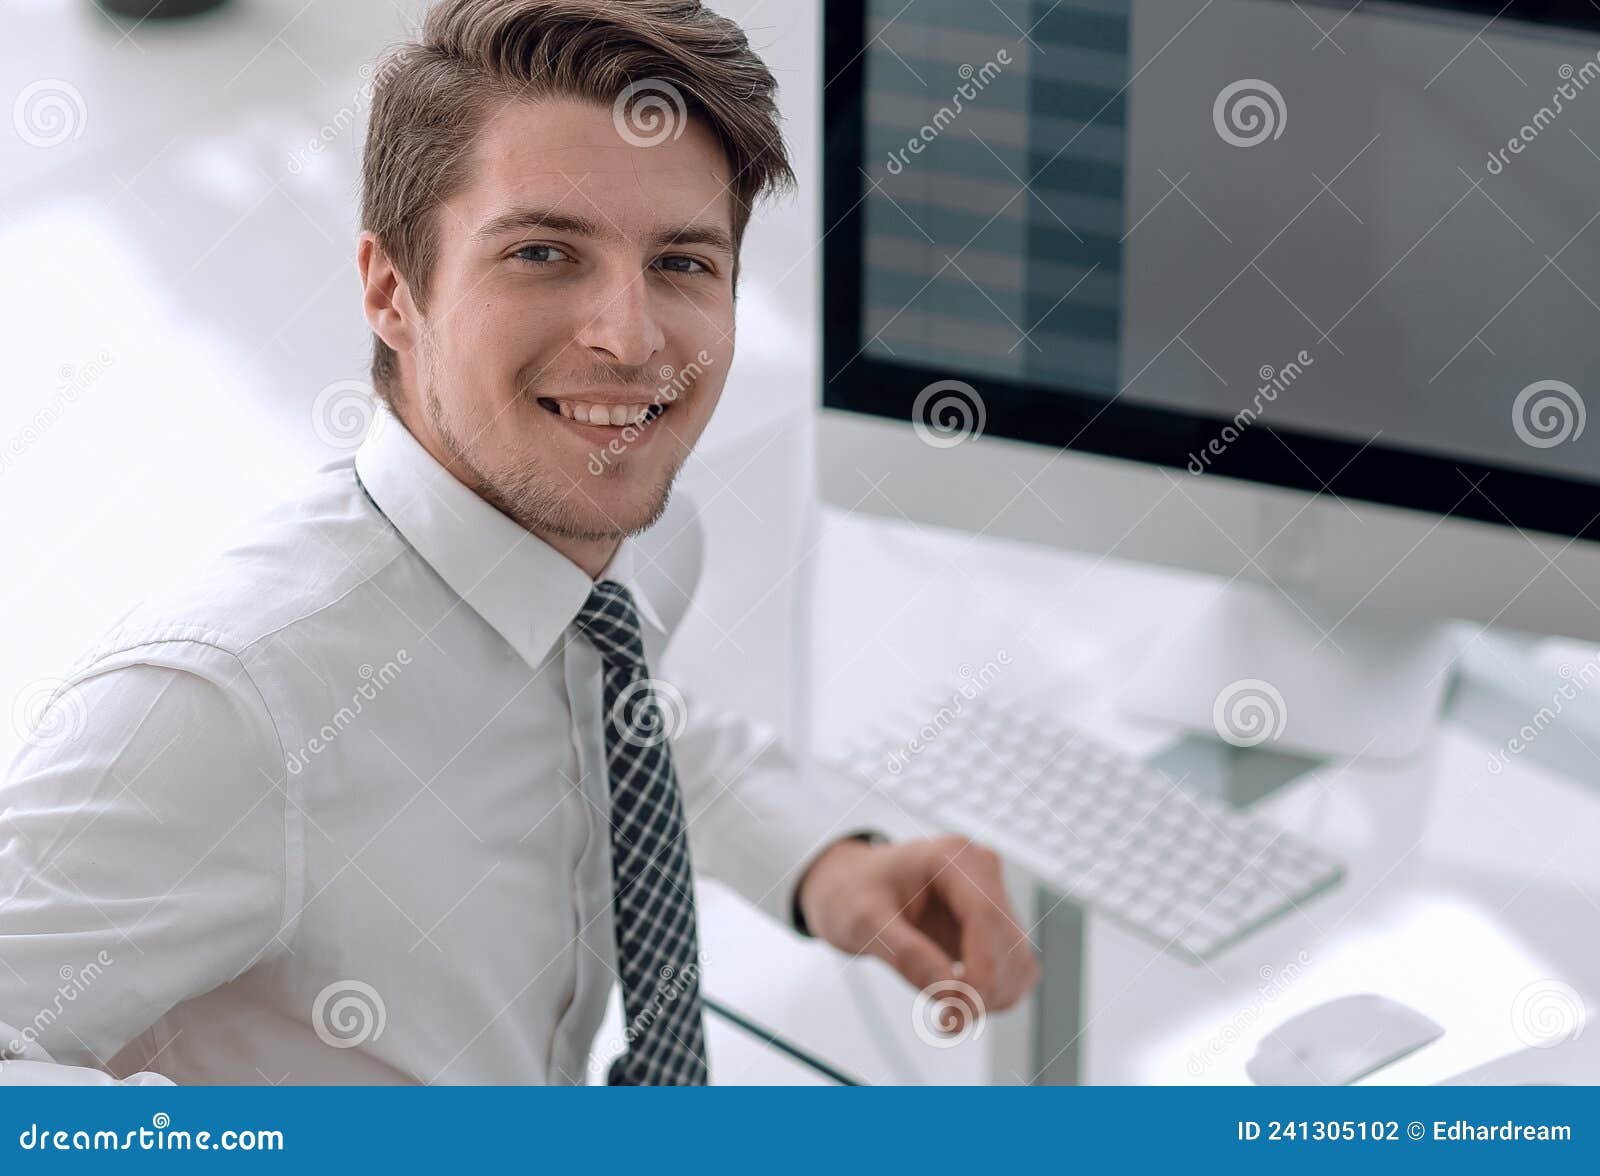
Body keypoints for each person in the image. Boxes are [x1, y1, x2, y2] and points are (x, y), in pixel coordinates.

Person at [0, 0, 1039, 1085]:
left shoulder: (629, 535)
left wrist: (821, 861)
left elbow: (607, 729)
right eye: (544, 253)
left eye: (682, 263)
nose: (630, 339)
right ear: (390, 290)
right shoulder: (226, 707)